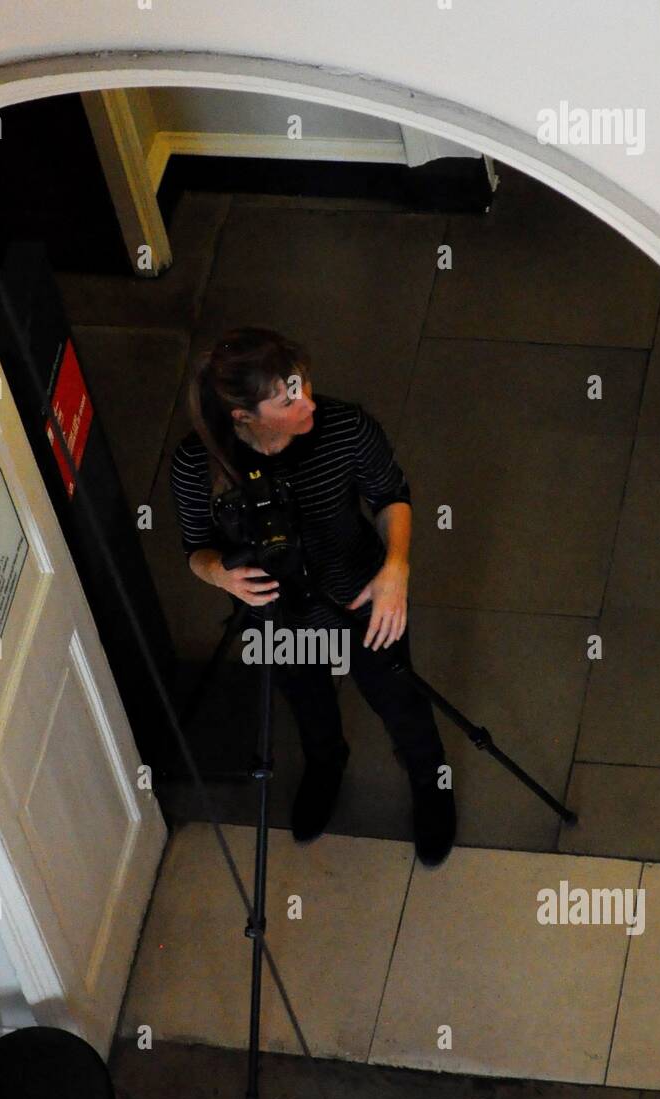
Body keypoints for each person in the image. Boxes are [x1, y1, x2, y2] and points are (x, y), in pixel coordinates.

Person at [168, 325, 456, 867]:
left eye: (301, 384)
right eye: (288, 398)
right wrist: (219, 577)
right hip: (277, 616)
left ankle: (430, 780)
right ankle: (326, 765)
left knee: (399, 699)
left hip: (363, 598)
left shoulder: (345, 426)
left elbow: (389, 492)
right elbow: (195, 546)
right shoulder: (198, 463)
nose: (308, 402)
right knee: (305, 701)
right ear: (243, 416)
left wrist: (397, 568)